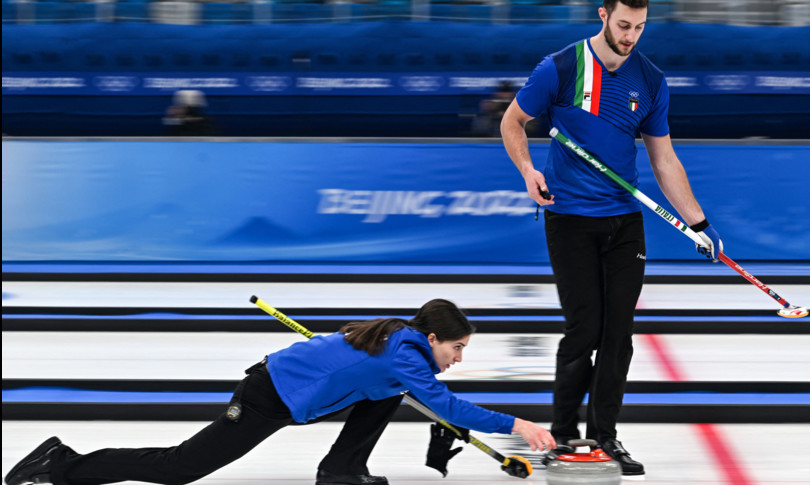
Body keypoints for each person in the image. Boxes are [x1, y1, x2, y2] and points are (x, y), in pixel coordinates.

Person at [500, 0, 723, 477]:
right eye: (624, 25)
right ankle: (561, 435)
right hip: (570, 219)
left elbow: (664, 161)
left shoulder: (650, 79)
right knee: (585, 329)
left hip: (625, 222)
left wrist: (699, 224)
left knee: (618, 335)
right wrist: (527, 170)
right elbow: (512, 121)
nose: (631, 35)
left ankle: (606, 436)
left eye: (640, 27)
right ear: (603, 15)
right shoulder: (559, 66)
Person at [4, 299, 556, 485]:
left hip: (286, 386)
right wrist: (521, 426)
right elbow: (446, 406)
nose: (459, 358)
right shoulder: (404, 353)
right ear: (433, 337)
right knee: (181, 469)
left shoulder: (401, 342)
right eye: (457, 348)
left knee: (388, 394)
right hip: (267, 395)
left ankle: (340, 471)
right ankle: (63, 464)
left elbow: (416, 391)